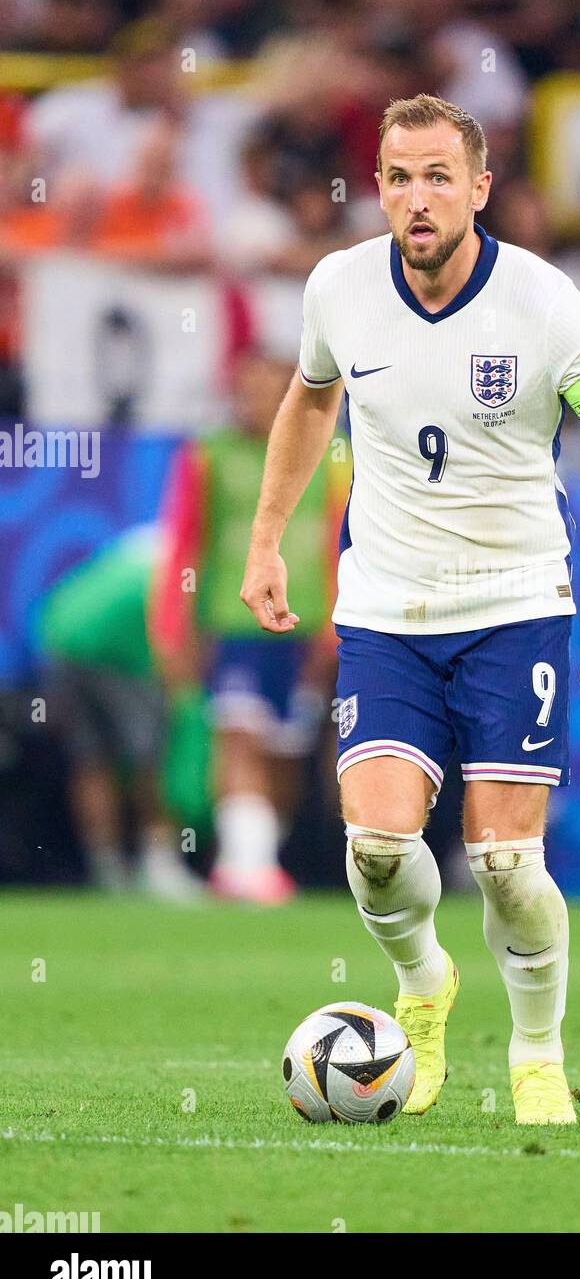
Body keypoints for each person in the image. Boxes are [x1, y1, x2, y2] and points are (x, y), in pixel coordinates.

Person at [239, 94, 580, 1125]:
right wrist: (266, 537)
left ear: (480, 188)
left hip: (515, 604)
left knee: (506, 864)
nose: (418, 198)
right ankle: (424, 984)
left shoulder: (545, 304)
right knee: (378, 850)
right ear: (378, 188)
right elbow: (311, 398)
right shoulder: (340, 288)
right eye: (399, 178)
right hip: (387, 607)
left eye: (439, 176)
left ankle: (536, 1053)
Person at [151, 349, 344, 905]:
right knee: (239, 737)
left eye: (266, 389)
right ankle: (246, 868)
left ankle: (256, 858)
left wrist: (335, 626)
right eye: (245, 388)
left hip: (303, 623)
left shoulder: (334, 456)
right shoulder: (208, 454)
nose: (252, 400)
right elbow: (185, 541)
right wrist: (173, 625)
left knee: (285, 753)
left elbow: (342, 539)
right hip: (233, 620)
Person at [39, 523, 203, 900]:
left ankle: (107, 869)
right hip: (109, 650)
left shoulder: (151, 542)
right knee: (153, 758)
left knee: (91, 761)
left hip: (59, 635)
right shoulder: (187, 562)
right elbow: (175, 646)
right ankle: (160, 866)